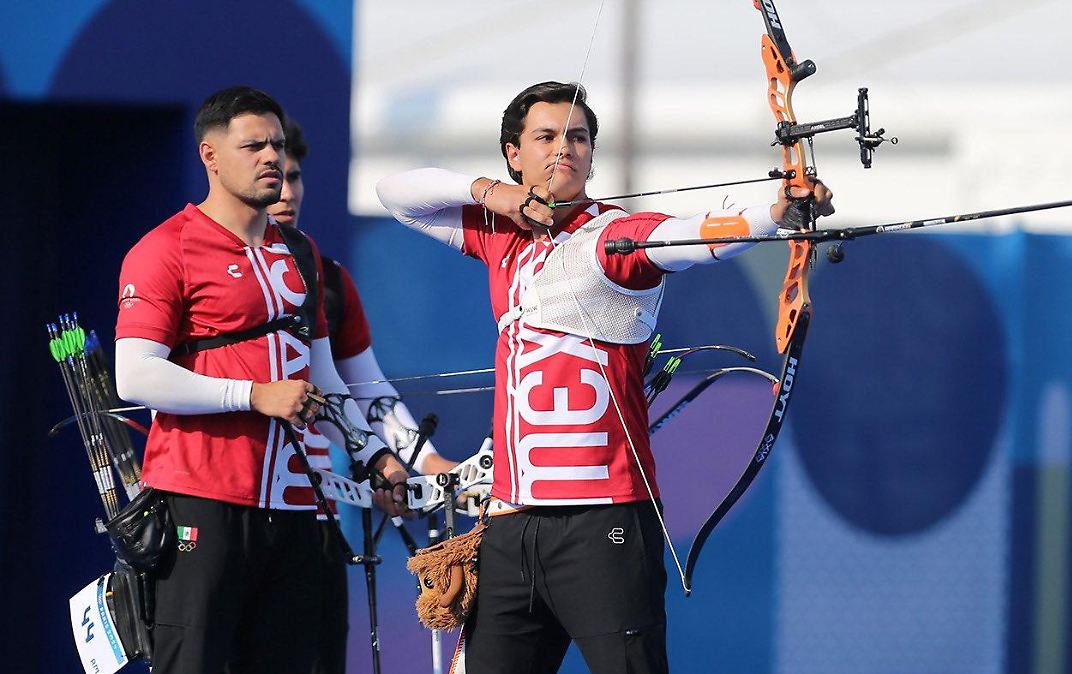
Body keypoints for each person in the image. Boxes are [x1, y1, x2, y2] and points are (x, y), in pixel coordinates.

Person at [375, 81, 833, 673]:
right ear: (513, 153)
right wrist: (496, 195)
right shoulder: (499, 236)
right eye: (545, 137)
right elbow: (396, 193)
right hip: (511, 527)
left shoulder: (615, 237)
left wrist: (776, 215)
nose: (564, 148)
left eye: (578, 138)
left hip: (604, 525)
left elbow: (691, 235)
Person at [114, 85, 409, 674]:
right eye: (254, 146)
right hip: (203, 502)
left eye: (276, 144)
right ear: (210, 155)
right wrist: (251, 394)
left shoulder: (300, 250)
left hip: (298, 507)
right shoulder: (163, 249)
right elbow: (134, 375)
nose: (271, 157)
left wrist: (375, 453)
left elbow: (321, 373)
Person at [266, 117, 461, 674]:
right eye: (274, 175)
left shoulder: (327, 280)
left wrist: (424, 463)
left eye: (295, 175)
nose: (287, 191)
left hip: (315, 510)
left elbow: (366, 391)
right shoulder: (206, 267)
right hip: (234, 507)